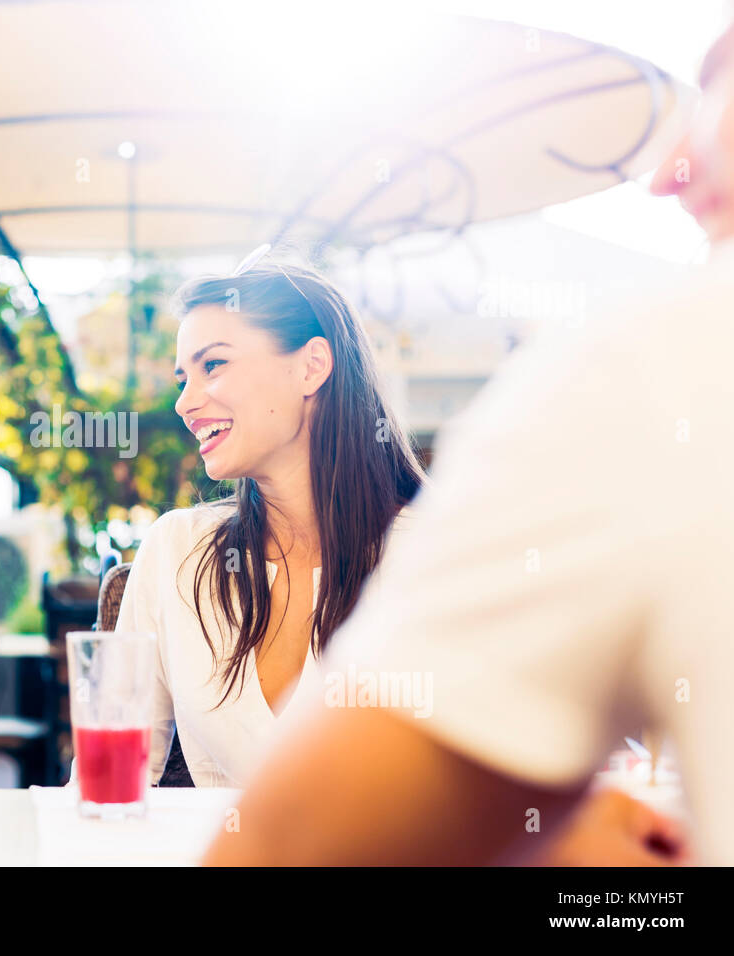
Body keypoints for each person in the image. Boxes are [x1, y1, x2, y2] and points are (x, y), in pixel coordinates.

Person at [202, 23, 734, 865]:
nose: (667, 171)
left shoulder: (646, 373)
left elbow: (282, 850)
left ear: (313, 369)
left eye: (718, 92)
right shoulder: (181, 554)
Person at [115, 261, 423, 787]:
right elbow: (113, 779)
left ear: (311, 367)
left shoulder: (432, 560)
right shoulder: (177, 552)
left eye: (213, 365)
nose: (185, 403)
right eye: (183, 378)